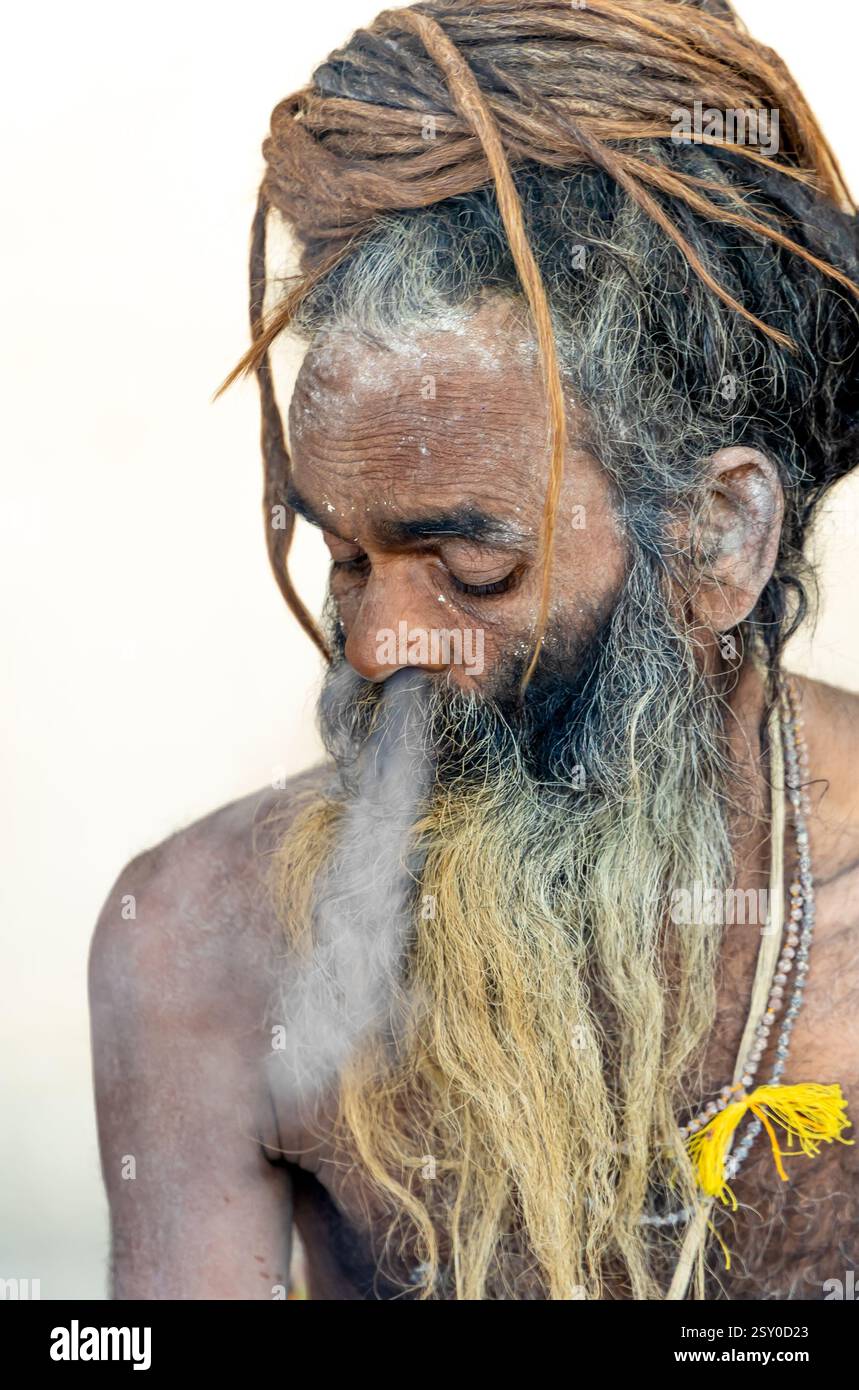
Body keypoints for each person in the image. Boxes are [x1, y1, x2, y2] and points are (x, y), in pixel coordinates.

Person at [90, 0, 859, 1300]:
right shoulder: (197, 947)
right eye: (347, 556)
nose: (385, 641)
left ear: (720, 538)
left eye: (474, 566)